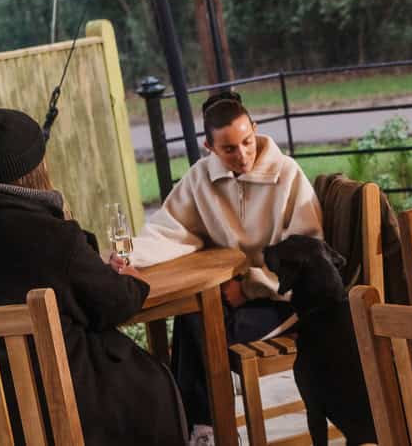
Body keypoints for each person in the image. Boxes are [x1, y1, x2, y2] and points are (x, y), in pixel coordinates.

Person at [0, 107, 186, 445]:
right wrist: (133, 279)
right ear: (36, 168)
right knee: (151, 385)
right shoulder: (52, 236)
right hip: (62, 406)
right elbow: (115, 302)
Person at [130, 91, 324, 446]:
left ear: (255, 128)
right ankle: (207, 427)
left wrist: (250, 286)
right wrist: (130, 259)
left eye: (247, 141)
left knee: (198, 322)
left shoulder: (287, 175)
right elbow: (169, 229)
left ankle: (205, 428)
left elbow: (308, 257)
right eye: (229, 149)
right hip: (230, 299)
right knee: (192, 315)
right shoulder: (200, 179)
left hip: (284, 301)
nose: (242, 154)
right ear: (209, 147)